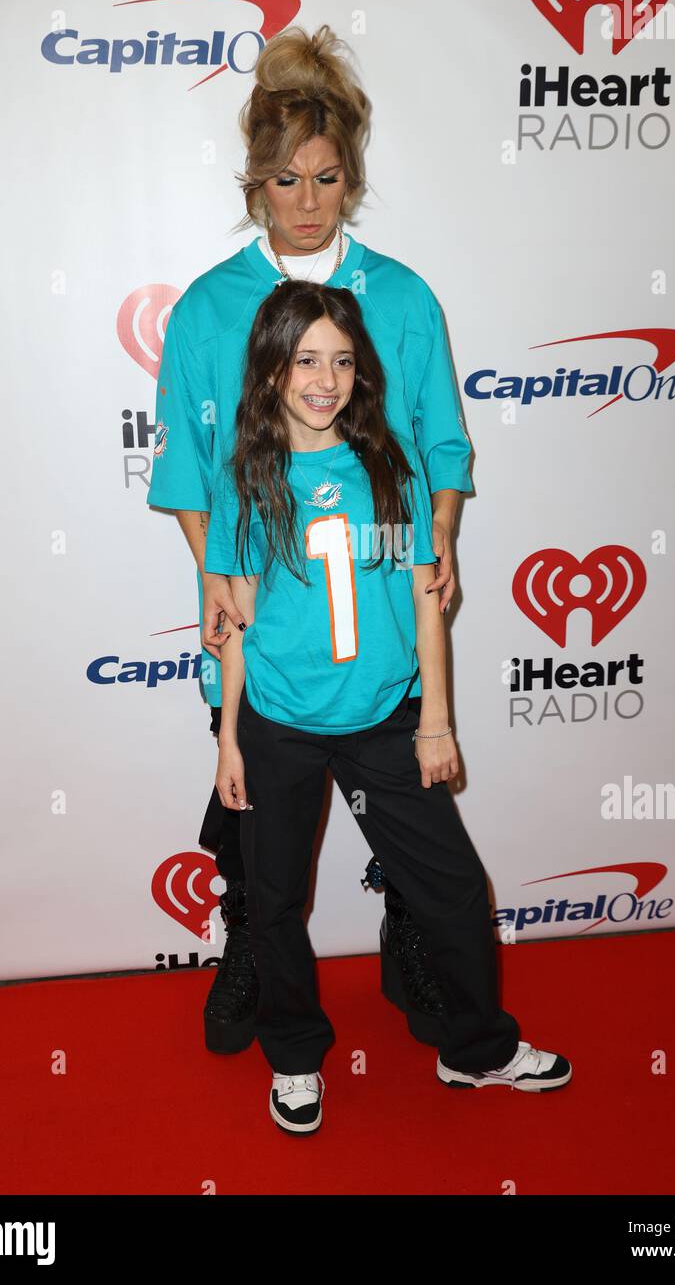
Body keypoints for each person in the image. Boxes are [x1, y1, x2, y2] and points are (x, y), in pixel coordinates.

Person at [147, 24, 469, 1052]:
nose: (309, 200)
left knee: (412, 834)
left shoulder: (407, 298)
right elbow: (190, 473)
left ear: (352, 177)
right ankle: (254, 949)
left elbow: (443, 448)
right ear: (256, 180)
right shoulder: (206, 311)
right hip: (268, 620)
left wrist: (442, 546)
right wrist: (217, 577)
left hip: (378, 613)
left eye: (329, 177)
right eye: (286, 178)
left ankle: (414, 951)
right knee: (259, 838)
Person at [205, 278, 572, 1133]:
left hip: (385, 724)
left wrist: (436, 723)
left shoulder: (390, 471)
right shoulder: (247, 481)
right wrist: (228, 740)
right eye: (304, 360)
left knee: (450, 886)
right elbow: (234, 624)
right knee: (272, 900)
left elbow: (425, 606)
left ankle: (476, 1050)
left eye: (340, 360)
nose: (324, 378)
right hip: (279, 727)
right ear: (269, 373)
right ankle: (295, 1057)